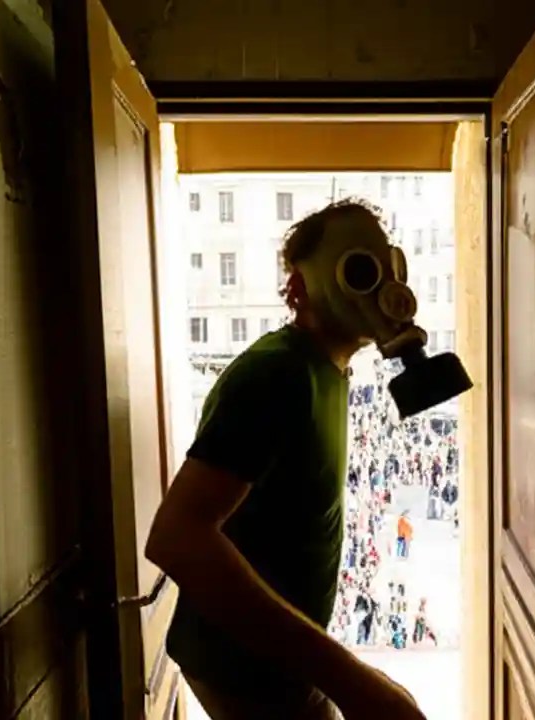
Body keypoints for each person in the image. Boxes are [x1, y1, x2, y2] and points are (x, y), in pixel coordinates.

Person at [145, 200, 424, 720]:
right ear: (298, 289)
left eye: (388, 270)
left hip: (279, 664)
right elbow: (177, 537)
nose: (383, 290)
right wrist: (349, 679)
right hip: (247, 669)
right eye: (361, 271)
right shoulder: (277, 376)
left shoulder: (325, 372)